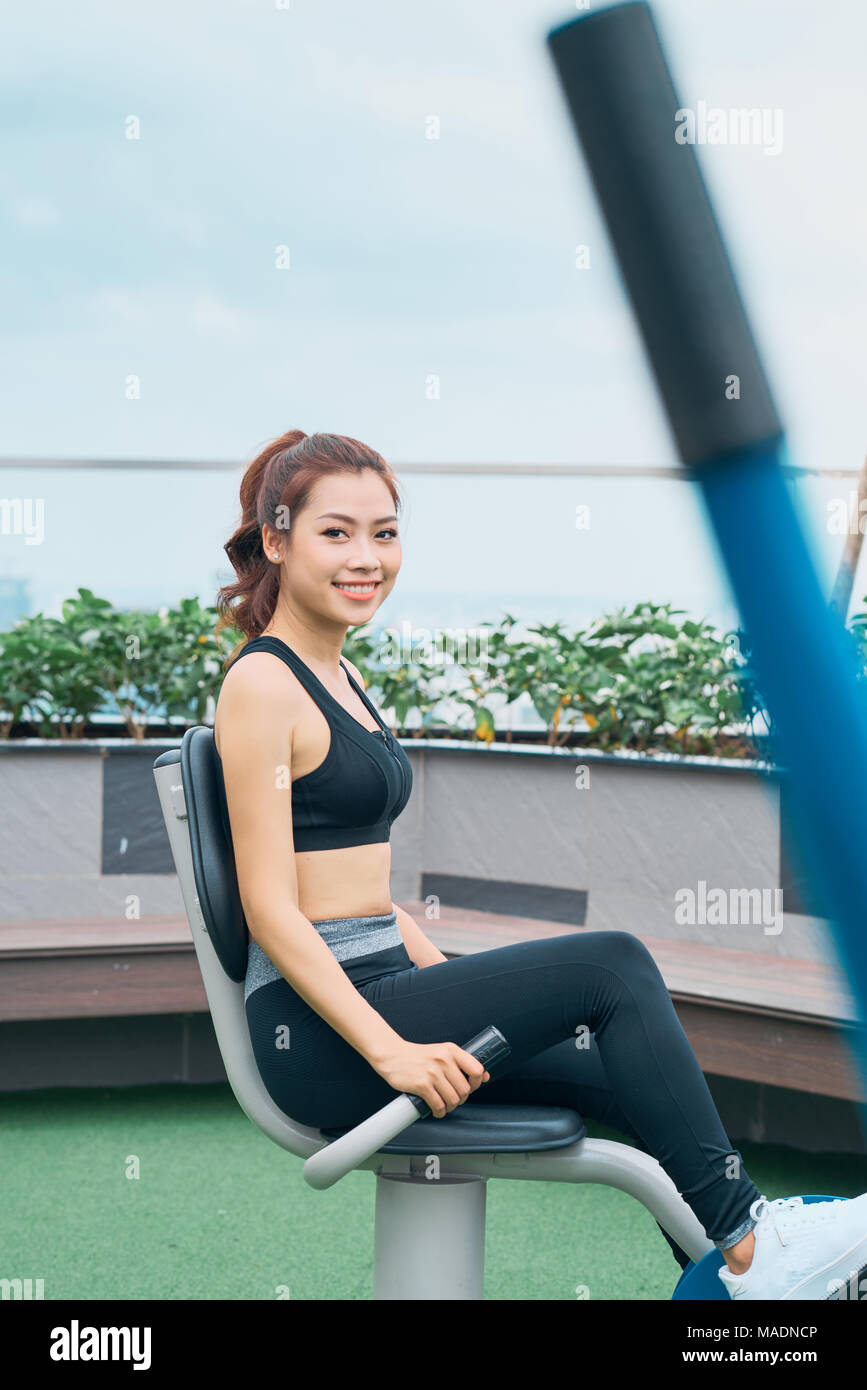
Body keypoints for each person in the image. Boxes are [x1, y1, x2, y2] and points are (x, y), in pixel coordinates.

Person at [213, 429, 867, 1300]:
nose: (367, 557)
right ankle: (752, 1245)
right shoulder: (261, 685)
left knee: (619, 1069)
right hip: (322, 1036)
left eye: (385, 531)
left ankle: (740, 1287)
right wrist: (395, 1052)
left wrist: (452, 982)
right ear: (276, 539)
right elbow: (271, 909)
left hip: (378, 984)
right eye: (336, 533)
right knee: (612, 965)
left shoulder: (336, 674)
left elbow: (360, 891)